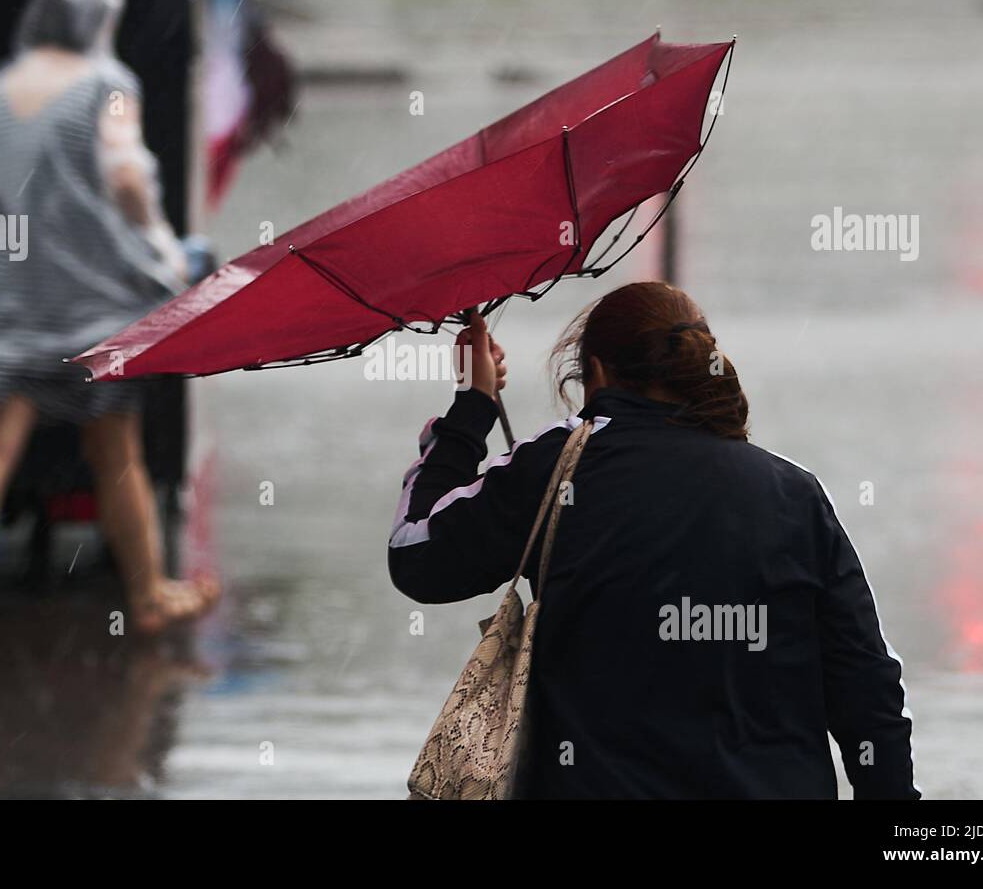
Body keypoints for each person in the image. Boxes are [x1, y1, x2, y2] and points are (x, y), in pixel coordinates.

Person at [388, 282, 919, 799]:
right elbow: (866, 683)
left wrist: (471, 407)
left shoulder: (553, 469)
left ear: (593, 370)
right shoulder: (792, 492)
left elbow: (417, 557)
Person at [0, 0, 218, 654]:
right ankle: (148, 594)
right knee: (116, 449)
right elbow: (126, 177)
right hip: (96, 299)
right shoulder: (105, 82)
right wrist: (163, 247)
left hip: (16, 299)